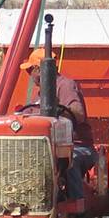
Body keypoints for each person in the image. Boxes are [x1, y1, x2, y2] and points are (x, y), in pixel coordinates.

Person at [22, 50, 96, 204]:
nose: (29, 74)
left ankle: (77, 205)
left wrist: (56, 112)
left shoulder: (65, 85)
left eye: (30, 70)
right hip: (44, 148)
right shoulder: (39, 94)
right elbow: (23, 117)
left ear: (40, 69)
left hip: (76, 147)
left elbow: (78, 113)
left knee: (69, 159)